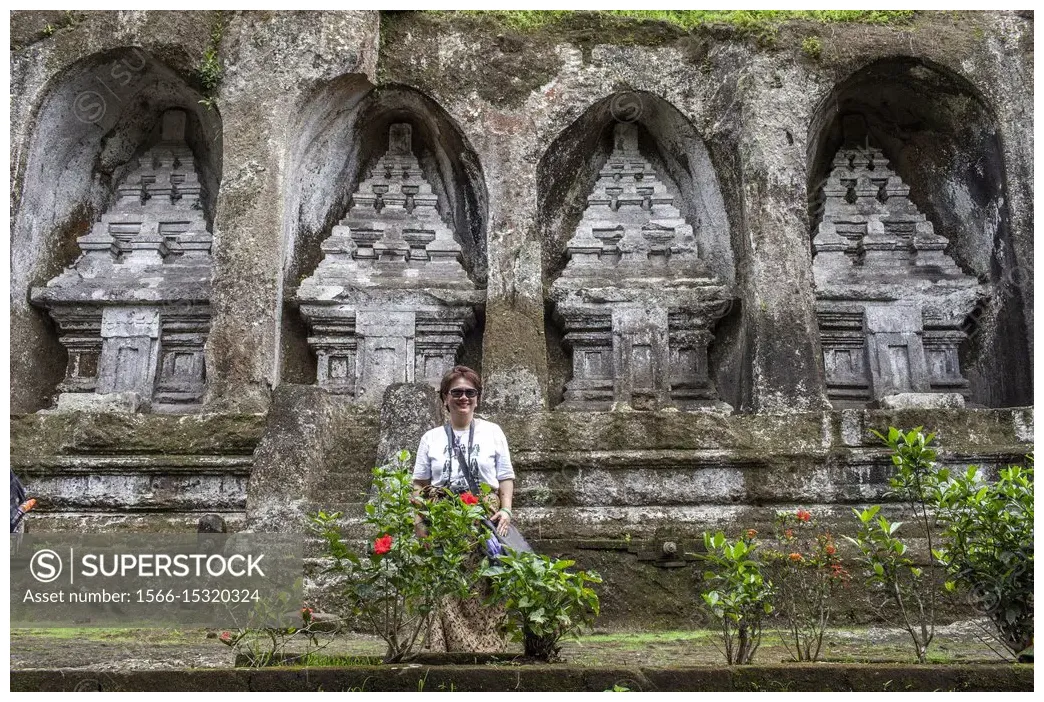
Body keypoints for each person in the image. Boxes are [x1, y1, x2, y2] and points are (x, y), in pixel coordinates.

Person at [412, 365, 515, 652]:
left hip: (484, 513)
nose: (463, 398)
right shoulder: (430, 438)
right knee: (446, 581)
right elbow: (419, 484)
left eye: (470, 392)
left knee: (485, 579)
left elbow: (505, 476)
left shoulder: (493, 432)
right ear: (445, 398)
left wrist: (506, 510)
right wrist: (419, 521)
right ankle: (446, 647)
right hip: (442, 515)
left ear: (478, 398)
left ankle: (487, 648)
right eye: (456, 392)